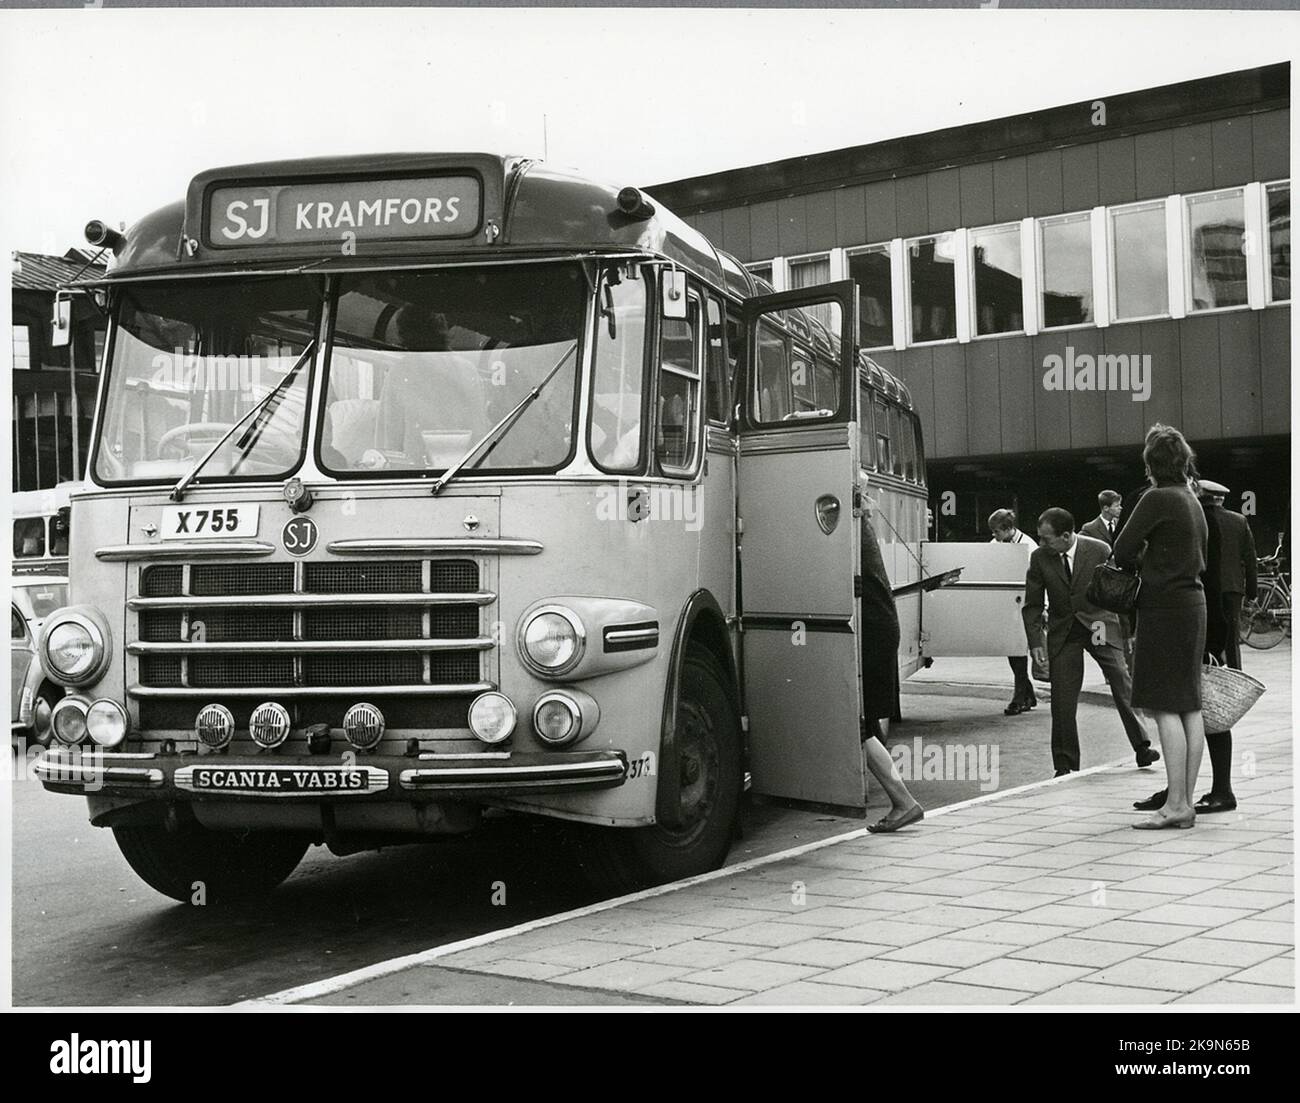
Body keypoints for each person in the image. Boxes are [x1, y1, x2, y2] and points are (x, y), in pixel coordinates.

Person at [1135, 477, 1253, 815]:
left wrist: (1213, 638)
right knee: (1199, 705)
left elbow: (1210, 577)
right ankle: (1183, 790)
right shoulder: (1203, 517)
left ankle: (1217, 789)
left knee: (1208, 704)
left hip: (1204, 622)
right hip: (1210, 619)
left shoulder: (1202, 520)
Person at [1113, 424, 1208, 830]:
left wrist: (1148, 557)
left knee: (1163, 703)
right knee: (1189, 702)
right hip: (1193, 604)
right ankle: (1184, 801)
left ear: (1152, 464)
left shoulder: (1156, 498)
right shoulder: (1191, 498)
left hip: (1164, 607)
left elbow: (1121, 549)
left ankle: (1174, 805)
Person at [1022, 507, 1158, 776]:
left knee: (1120, 678)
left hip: (1098, 623)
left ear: (1066, 535)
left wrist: (1127, 632)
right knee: (1062, 697)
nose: (1042, 543)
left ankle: (1142, 746)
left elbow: (1121, 591)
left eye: (1046, 538)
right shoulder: (1039, 558)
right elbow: (1033, 604)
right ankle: (1065, 764)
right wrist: (1036, 643)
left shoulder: (1099, 549)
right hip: (1065, 629)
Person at [859, 514, 924, 833]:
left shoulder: (850, 527)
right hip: (877, 628)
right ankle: (902, 801)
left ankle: (903, 801)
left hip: (871, 631)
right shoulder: (860, 525)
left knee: (860, 722)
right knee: (863, 722)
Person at [988, 508, 1038, 715]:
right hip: (1006, 605)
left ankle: (1019, 698)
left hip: (1025, 603)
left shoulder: (1029, 547)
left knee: (1018, 651)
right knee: (1013, 651)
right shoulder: (995, 545)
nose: (994, 536)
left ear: (1008, 529)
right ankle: (1027, 694)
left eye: (997, 531)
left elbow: (1037, 579)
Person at [1082, 489, 1133, 668]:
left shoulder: (1124, 524)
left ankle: (1127, 667)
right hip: (1104, 585)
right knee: (1105, 627)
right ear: (1105, 508)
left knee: (1125, 627)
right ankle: (1109, 669)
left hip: (1122, 583)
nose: (1120, 508)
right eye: (1117, 505)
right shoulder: (1089, 529)